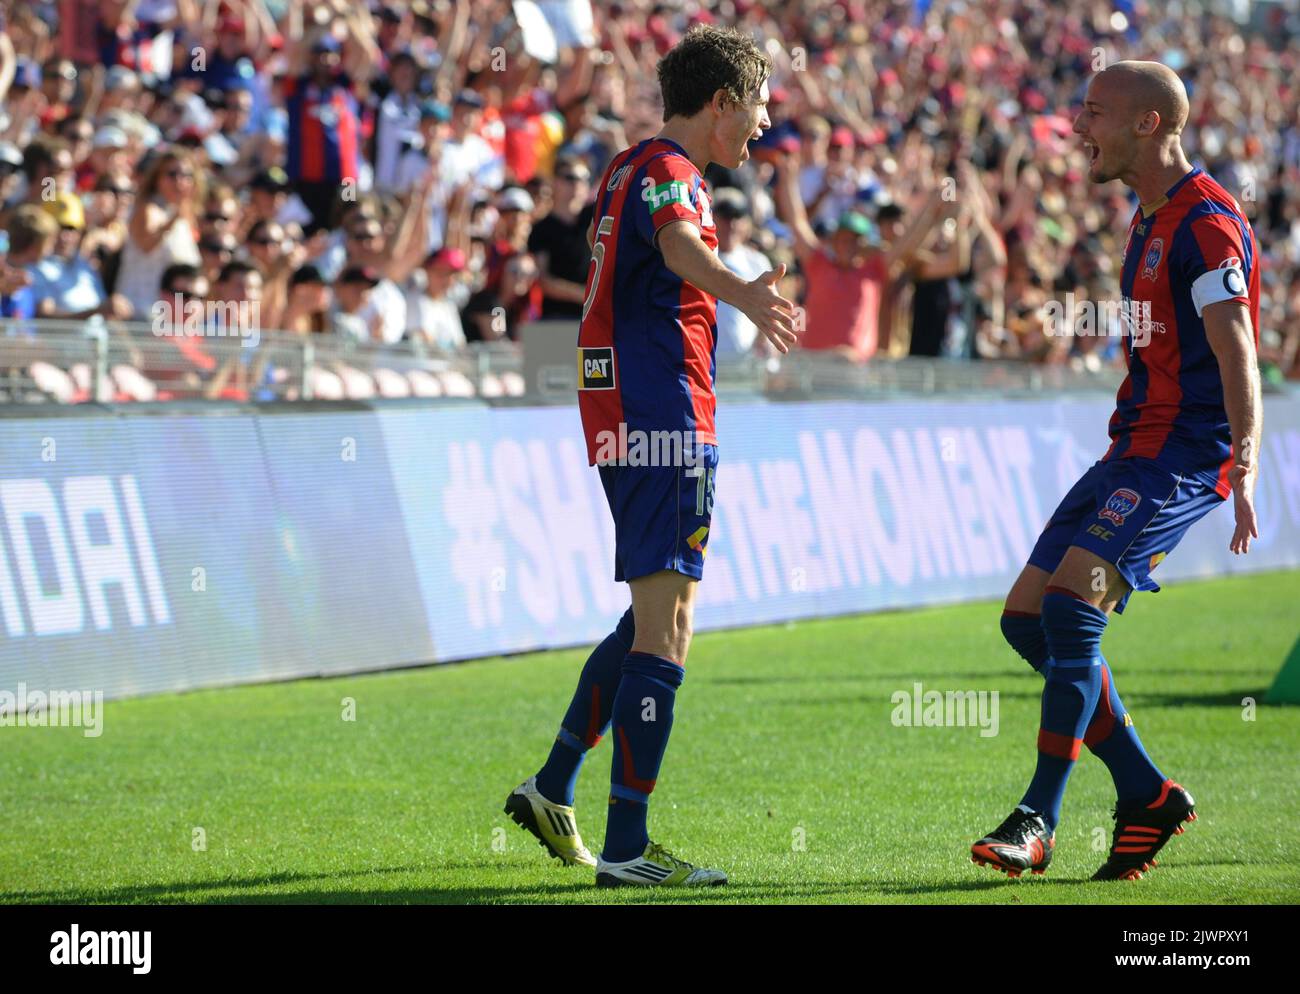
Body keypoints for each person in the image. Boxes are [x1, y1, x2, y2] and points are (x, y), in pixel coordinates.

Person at [504, 25, 797, 889]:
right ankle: (627, 846)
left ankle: (553, 786)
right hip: (661, 416)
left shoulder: (627, 166)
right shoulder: (672, 175)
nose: (765, 120)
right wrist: (742, 290)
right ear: (720, 104)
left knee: (647, 617)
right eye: (758, 103)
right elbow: (676, 249)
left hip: (628, 410)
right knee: (669, 625)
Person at [971, 61, 1262, 882]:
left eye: (1094, 112)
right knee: (1027, 618)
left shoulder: (1205, 221)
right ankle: (1146, 791)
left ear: (1146, 125)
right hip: (1129, 448)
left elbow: (1238, 346)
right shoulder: (1148, 219)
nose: (1077, 126)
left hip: (1180, 456)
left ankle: (1038, 817)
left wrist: (1243, 460)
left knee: (1072, 605)